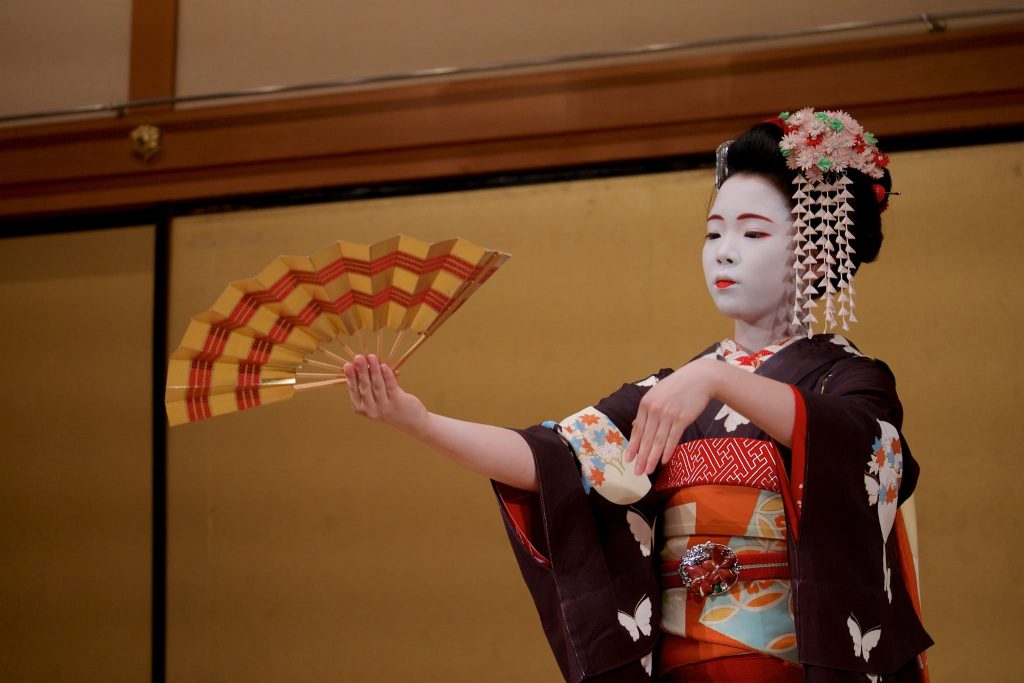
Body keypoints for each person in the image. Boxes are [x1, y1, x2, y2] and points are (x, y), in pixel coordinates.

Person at [342, 108, 932, 682]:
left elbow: (863, 452)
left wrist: (719, 379)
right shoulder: (673, 390)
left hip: (789, 665)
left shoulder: (847, 380)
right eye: (713, 233)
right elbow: (550, 457)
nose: (723, 250)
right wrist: (414, 419)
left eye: (752, 232)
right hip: (680, 665)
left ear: (818, 251)